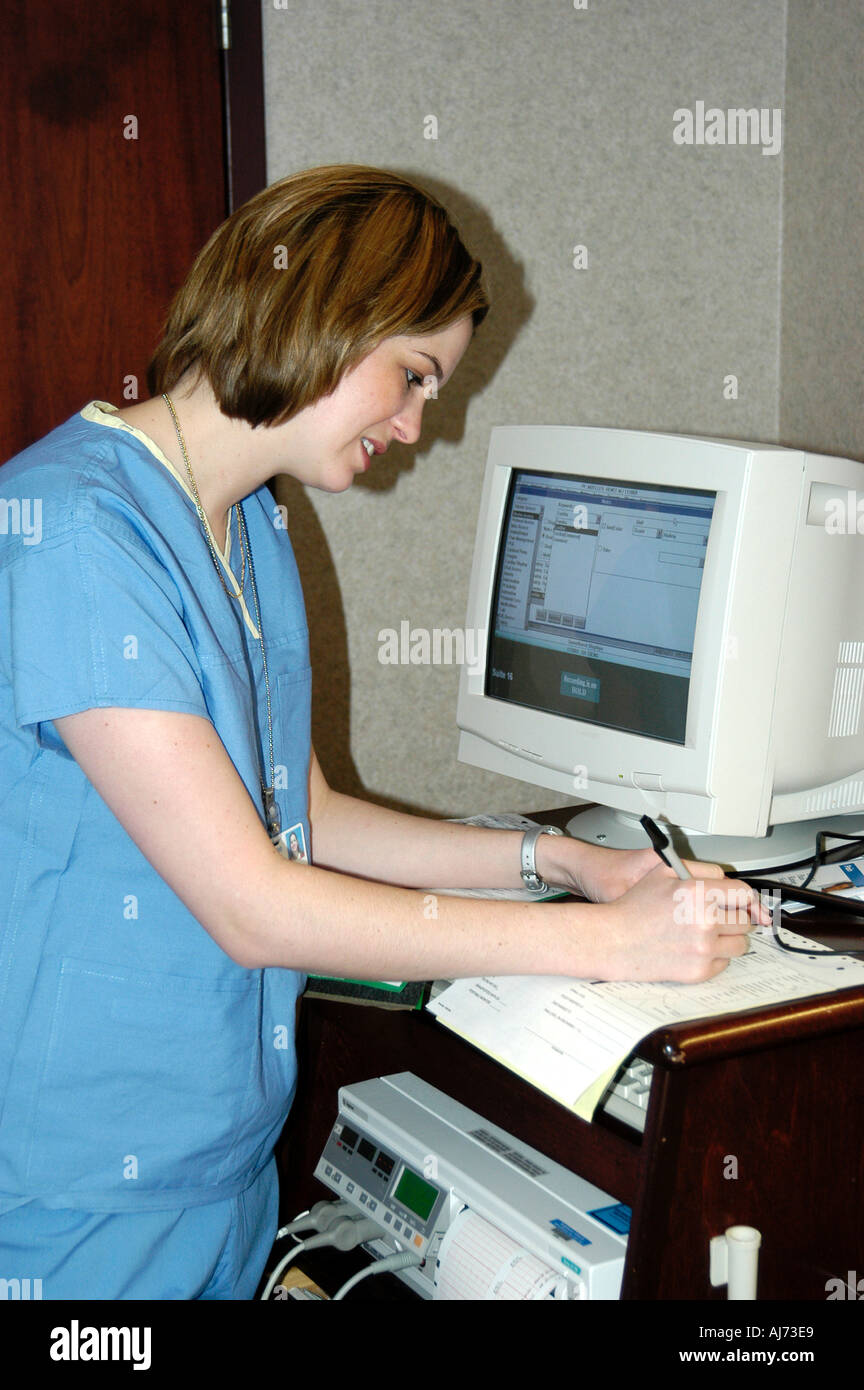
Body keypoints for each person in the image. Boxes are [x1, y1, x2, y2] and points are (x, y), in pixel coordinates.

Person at [0, 165, 767, 1300]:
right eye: (412, 376)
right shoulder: (74, 534)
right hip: (81, 1196)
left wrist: (566, 862)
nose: (416, 426)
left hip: (224, 1163)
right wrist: (607, 946)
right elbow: (254, 903)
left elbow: (302, 812)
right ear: (320, 308)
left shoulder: (249, 520)